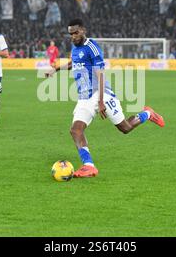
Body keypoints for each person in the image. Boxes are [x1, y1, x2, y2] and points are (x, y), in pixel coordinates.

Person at [46, 19, 165, 178]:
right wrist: (56, 69)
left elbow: (101, 74)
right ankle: (89, 166)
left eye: (76, 32)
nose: (73, 36)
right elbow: (74, 62)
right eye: (71, 34)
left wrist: (101, 101)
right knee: (76, 130)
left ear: (83, 30)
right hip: (84, 97)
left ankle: (147, 114)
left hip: (101, 93)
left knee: (125, 128)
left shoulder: (92, 47)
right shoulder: (75, 48)